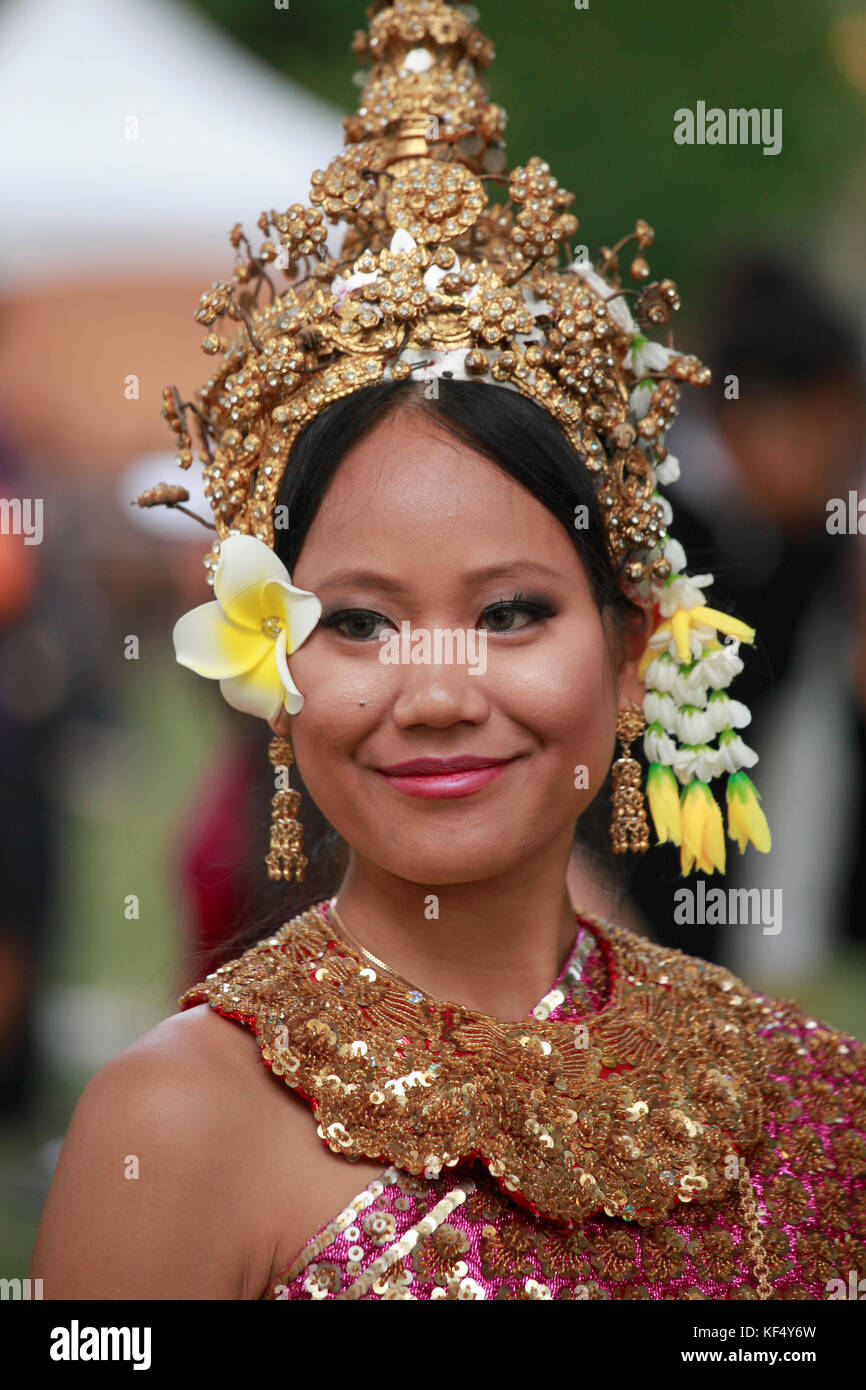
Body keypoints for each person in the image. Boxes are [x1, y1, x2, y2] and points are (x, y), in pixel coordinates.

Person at [30, 0, 865, 1301]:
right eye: (358, 619)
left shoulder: (811, 1098)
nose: (435, 691)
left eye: (511, 612)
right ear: (274, 663)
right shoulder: (171, 1126)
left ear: (631, 648)